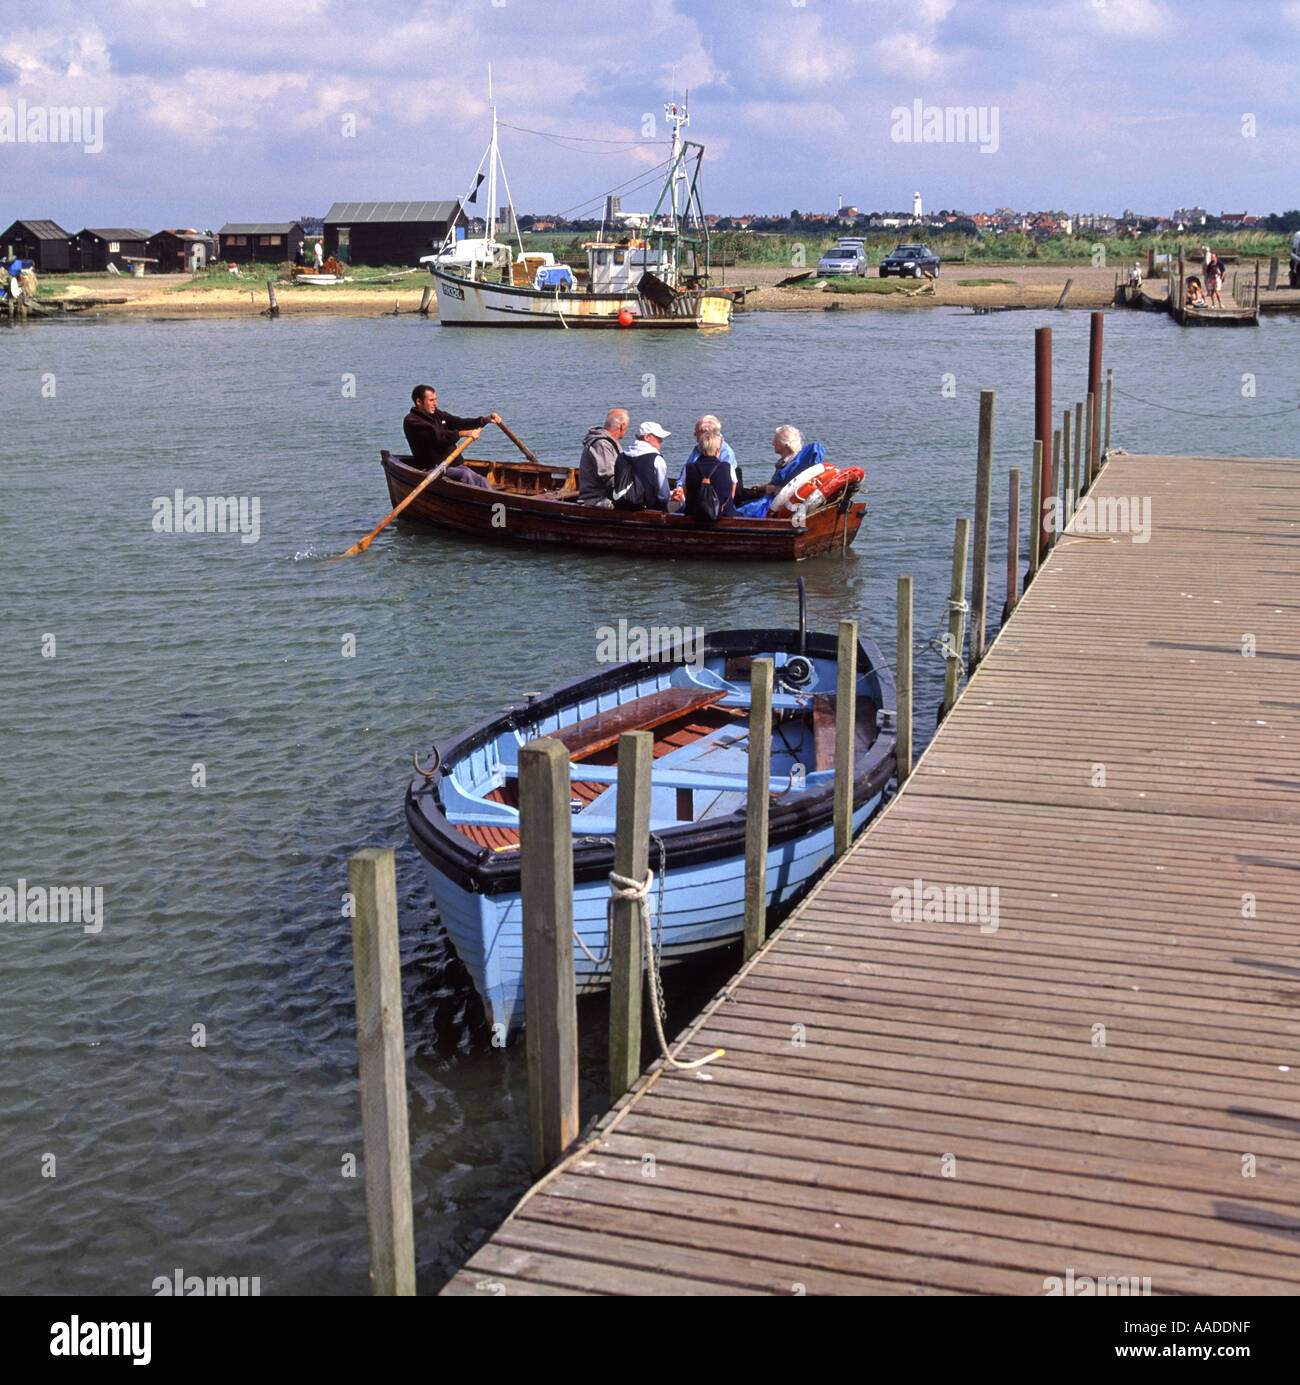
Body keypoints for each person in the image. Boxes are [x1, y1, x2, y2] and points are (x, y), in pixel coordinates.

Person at [402, 385, 500, 489]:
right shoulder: (412, 421)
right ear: (419, 402)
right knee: (465, 476)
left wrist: (484, 420)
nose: (435, 403)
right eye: (431, 400)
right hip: (433, 469)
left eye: (435, 400)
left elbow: (460, 422)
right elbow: (438, 437)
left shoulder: (438, 415)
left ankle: (495, 502)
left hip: (453, 466)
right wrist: (461, 434)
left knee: (481, 480)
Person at [670, 415, 739, 507]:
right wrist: (679, 488)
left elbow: (727, 488)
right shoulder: (697, 448)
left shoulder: (727, 453)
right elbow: (684, 477)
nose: (694, 433)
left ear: (707, 433)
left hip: (714, 503)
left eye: (697, 431)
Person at [681, 423, 737, 520]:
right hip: (724, 514)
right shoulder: (728, 467)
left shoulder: (689, 468)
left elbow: (686, 491)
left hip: (694, 514)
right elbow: (731, 492)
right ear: (717, 451)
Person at [613, 422, 671, 511]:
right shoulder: (657, 459)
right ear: (646, 437)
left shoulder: (621, 456)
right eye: (659, 438)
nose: (661, 441)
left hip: (621, 509)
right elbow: (664, 496)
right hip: (649, 511)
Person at [578, 409, 629, 506]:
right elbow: (610, 478)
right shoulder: (601, 444)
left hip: (607, 496)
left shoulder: (610, 443)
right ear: (622, 426)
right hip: (597, 499)